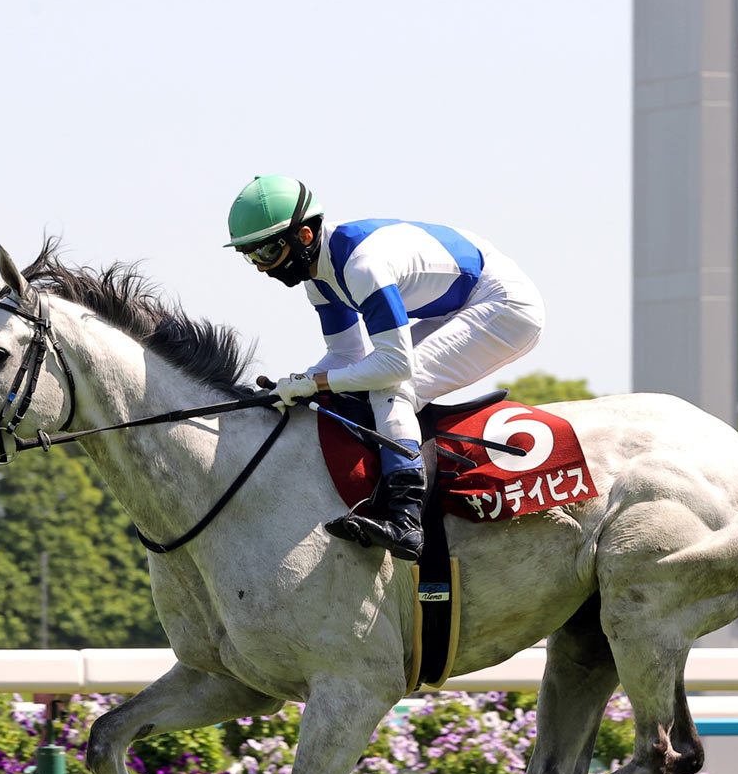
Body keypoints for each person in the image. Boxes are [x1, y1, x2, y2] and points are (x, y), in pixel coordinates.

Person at [226, 175, 543, 562]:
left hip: (505, 305)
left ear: (305, 236)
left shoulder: (361, 266)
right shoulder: (319, 280)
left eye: (267, 253)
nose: (261, 268)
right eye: (251, 257)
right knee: (363, 382)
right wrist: (297, 382)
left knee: (392, 388)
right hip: (466, 300)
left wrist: (315, 384)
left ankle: (406, 521)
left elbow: (393, 365)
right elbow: (345, 355)